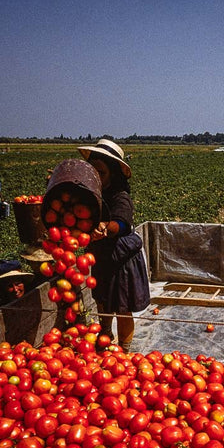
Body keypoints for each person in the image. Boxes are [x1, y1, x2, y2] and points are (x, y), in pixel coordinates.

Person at [79, 139, 150, 351]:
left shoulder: (121, 197)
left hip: (121, 259)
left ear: (113, 173)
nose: (97, 177)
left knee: (122, 307)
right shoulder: (92, 194)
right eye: (94, 172)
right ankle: (105, 335)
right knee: (102, 299)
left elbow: (122, 222)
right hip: (101, 256)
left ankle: (125, 351)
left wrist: (105, 228)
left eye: (101, 173)